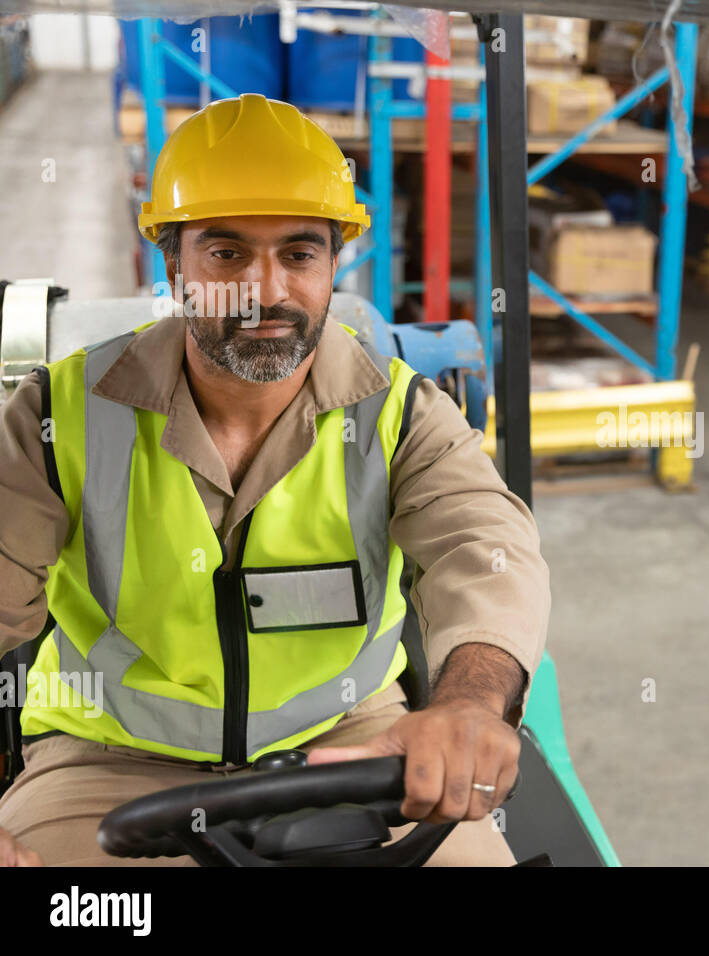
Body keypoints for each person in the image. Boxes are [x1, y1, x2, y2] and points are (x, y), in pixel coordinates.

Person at [0, 93, 550, 866]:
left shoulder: (399, 414)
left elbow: (487, 548)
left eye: (299, 254)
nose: (267, 291)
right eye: (226, 254)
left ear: (332, 265)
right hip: (107, 764)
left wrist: (466, 704)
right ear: (173, 263)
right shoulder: (56, 417)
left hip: (350, 748)